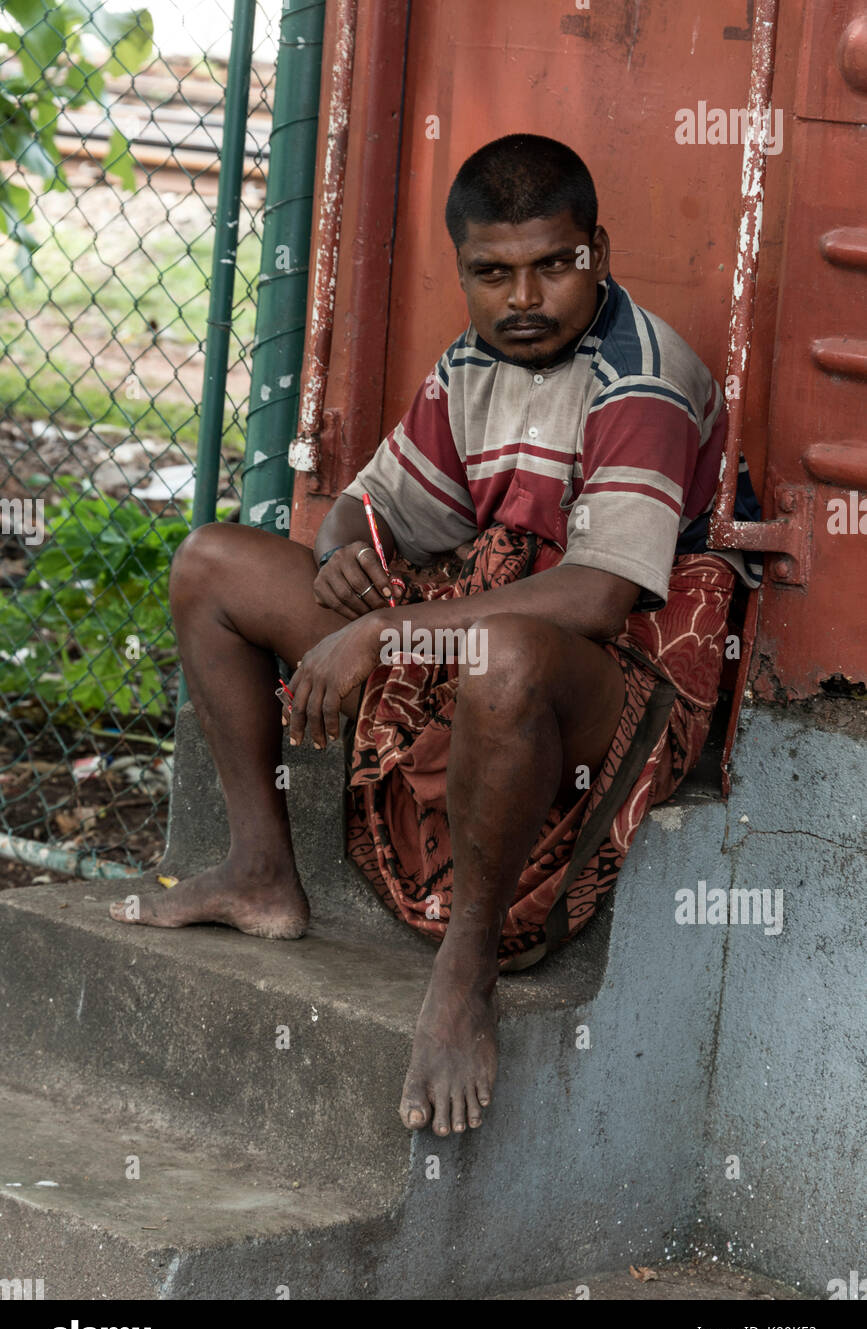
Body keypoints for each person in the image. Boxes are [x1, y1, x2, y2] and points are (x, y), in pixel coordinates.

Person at [110, 134, 760, 1139]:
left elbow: (595, 600)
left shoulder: (641, 376)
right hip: (474, 622)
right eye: (492, 274)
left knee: (498, 660)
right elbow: (364, 514)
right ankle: (259, 871)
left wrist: (388, 634)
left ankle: (466, 975)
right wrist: (344, 559)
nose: (524, 298)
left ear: (599, 250)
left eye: (553, 264)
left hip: (615, 683)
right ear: (462, 270)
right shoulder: (469, 367)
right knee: (211, 563)